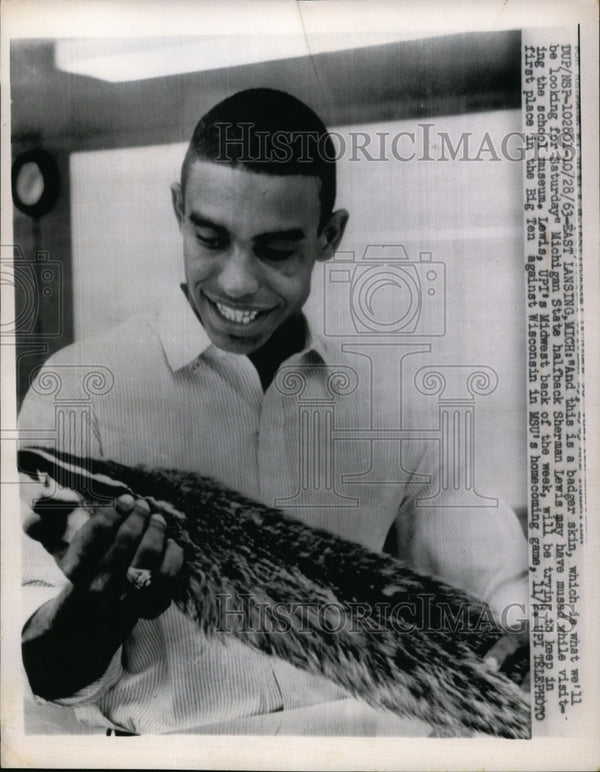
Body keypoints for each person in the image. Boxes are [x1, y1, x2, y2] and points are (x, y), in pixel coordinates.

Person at [19, 88, 528, 735]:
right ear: (180, 211)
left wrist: (527, 629)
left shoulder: (396, 405)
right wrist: (97, 610)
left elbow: (498, 580)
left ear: (329, 236)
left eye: (277, 250)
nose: (237, 282)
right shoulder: (77, 391)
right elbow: (37, 675)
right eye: (210, 237)